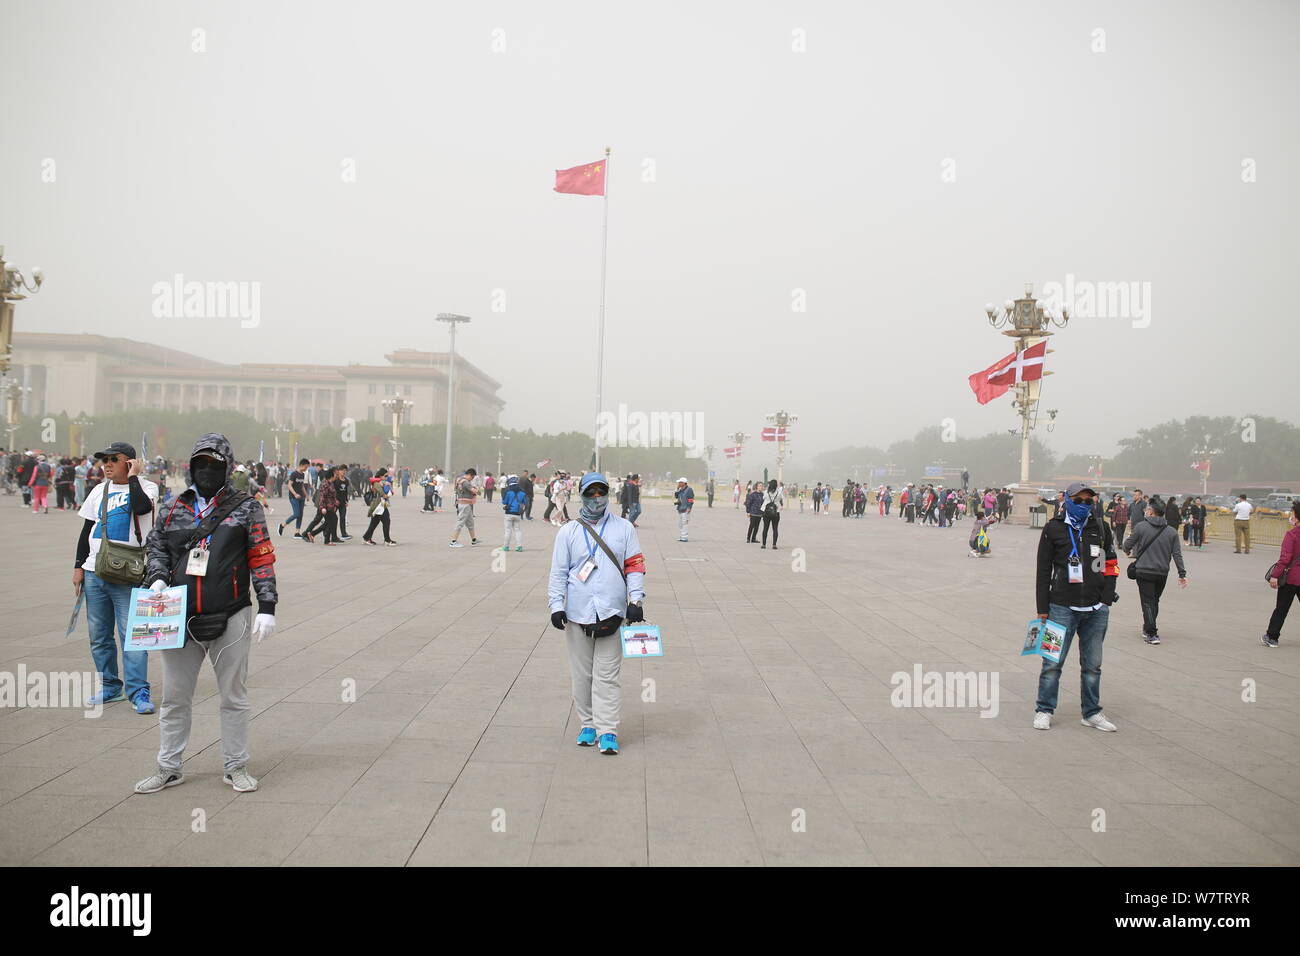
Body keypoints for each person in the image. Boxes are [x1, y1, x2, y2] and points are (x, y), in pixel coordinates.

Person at [134, 433, 278, 795]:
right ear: (190, 466)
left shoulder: (246, 507)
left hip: (231, 615)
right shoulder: (171, 507)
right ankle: (169, 766)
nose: (207, 471)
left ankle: (235, 765)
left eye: (215, 465)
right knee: (175, 697)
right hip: (178, 615)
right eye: (201, 464)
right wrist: (156, 579)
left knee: (233, 696)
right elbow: (157, 549)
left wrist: (268, 606)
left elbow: (260, 557)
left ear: (227, 468)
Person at [548, 472, 646, 756]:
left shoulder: (624, 528)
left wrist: (635, 599)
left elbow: (635, 566)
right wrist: (556, 605)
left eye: (601, 492)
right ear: (581, 494)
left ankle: (608, 730)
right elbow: (558, 572)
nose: (596, 498)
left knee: (607, 676)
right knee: (582, 675)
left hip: (613, 612)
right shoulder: (567, 531)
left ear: (608, 495)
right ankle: (588, 724)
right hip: (577, 613)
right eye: (590, 493)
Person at [74, 441, 159, 714]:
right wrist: (78, 566)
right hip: (93, 571)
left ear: (130, 462)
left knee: (132, 635)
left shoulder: (147, 488)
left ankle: (138, 691)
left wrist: (134, 477)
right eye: (104, 459)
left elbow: (142, 508)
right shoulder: (99, 490)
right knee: (99, 635)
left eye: (114, 459)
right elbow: (87, 530)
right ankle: (110, 685)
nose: (107, 464)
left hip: (128, 573)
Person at [1033, 481, 1121, 732]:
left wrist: (1106, 598)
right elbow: (1043, 570)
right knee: (1051, 662)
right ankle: (1044, 709)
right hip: (1060, 606)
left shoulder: (1100, 528)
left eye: (1088, 501)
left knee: (1093, 666)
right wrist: (1042, 607)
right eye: (1078, 500)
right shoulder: (1054, 528)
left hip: (1095, 609)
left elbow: (1111, 564)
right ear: (1067, 500)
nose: (1084, 505)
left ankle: (1091, 712)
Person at [1122, 496, 1188, 645]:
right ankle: (1148, 627)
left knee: (1147, 602)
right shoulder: (1171, 532)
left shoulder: (1140, 527)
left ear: (1151, 512)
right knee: (1154, 601)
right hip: (1162, 572)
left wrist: (1127, 549)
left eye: (1147, 510)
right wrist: (1182, 574)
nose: (1145, 512)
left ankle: (1152, 633)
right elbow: (1176, 554)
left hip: (1144, 571)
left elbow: (1127, 545)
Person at [1262, 501, 1300, 647]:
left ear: (1296, 518)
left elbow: (1285, 558)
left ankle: (1272, 637)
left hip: (1291, 578)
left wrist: (1275, 575)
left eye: (1293, 514)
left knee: (1282, 608)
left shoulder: (1292, 535)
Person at [363, 467, 396, 546]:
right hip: (378, 505)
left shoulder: (383, 483)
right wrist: (386, 491)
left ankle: (366, 538)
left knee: (374, 523)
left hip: (382, 504)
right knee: (386, 521)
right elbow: (382, 494)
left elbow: (390, 493)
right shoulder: (377, 483)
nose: (386, 477)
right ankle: (387, 540)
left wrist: (389, 486)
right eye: (385, 476)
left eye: (387, 476)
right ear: (380, 476)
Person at [278, 458, 309, 538]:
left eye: (307, 467)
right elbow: (289, 485)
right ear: (301, 465)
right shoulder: (294, 474)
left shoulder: (303, 474)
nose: (306, 469)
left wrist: (306, 495)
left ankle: (297, 532)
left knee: (300, 515)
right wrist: (295, 494)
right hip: (293, 497)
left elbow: (302, 485)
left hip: (301, 497)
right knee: (296, 514)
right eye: (305, 467)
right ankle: (282, 525)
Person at [449, 467, 479, 547]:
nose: (472, 479)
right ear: (469, 475)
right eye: (472, 477)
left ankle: (474, 540)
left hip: (464, 504)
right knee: (460, 522)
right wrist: (477, 490)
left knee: (470, 523)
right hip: (464, 504)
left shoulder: (459, 480)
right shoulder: (465, 482)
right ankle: (453, 541)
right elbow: (474, 491)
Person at [501, 474, 525, 551]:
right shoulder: (522, 492)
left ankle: (506, 546)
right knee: (517, 530)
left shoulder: (508, 491)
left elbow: (504, 502)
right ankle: (519, 547)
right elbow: (525, 503)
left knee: (508, 530)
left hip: (509, 513)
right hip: (518, 514)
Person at [760, 478, 783, 549]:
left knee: (765, 528)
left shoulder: (766, 492)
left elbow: (763, 498)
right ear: (776, 486)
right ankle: (774, 545)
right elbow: (780, 499)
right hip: (776, 512)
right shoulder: (779, 493)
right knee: (775, 528)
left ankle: (764, 544)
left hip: (766, 512)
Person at [673, 476, 695, 542]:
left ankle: (685, 537)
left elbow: (691, 499)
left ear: (684, 483)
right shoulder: (680, 490)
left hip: (686, 509)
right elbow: (676, 496)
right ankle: (681, 536)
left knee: (684, 523)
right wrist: (677, 489)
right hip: (680, 508)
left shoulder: (689, 490)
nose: (679, 483)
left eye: (680, 482)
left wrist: (689, 507)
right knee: (680, 524)